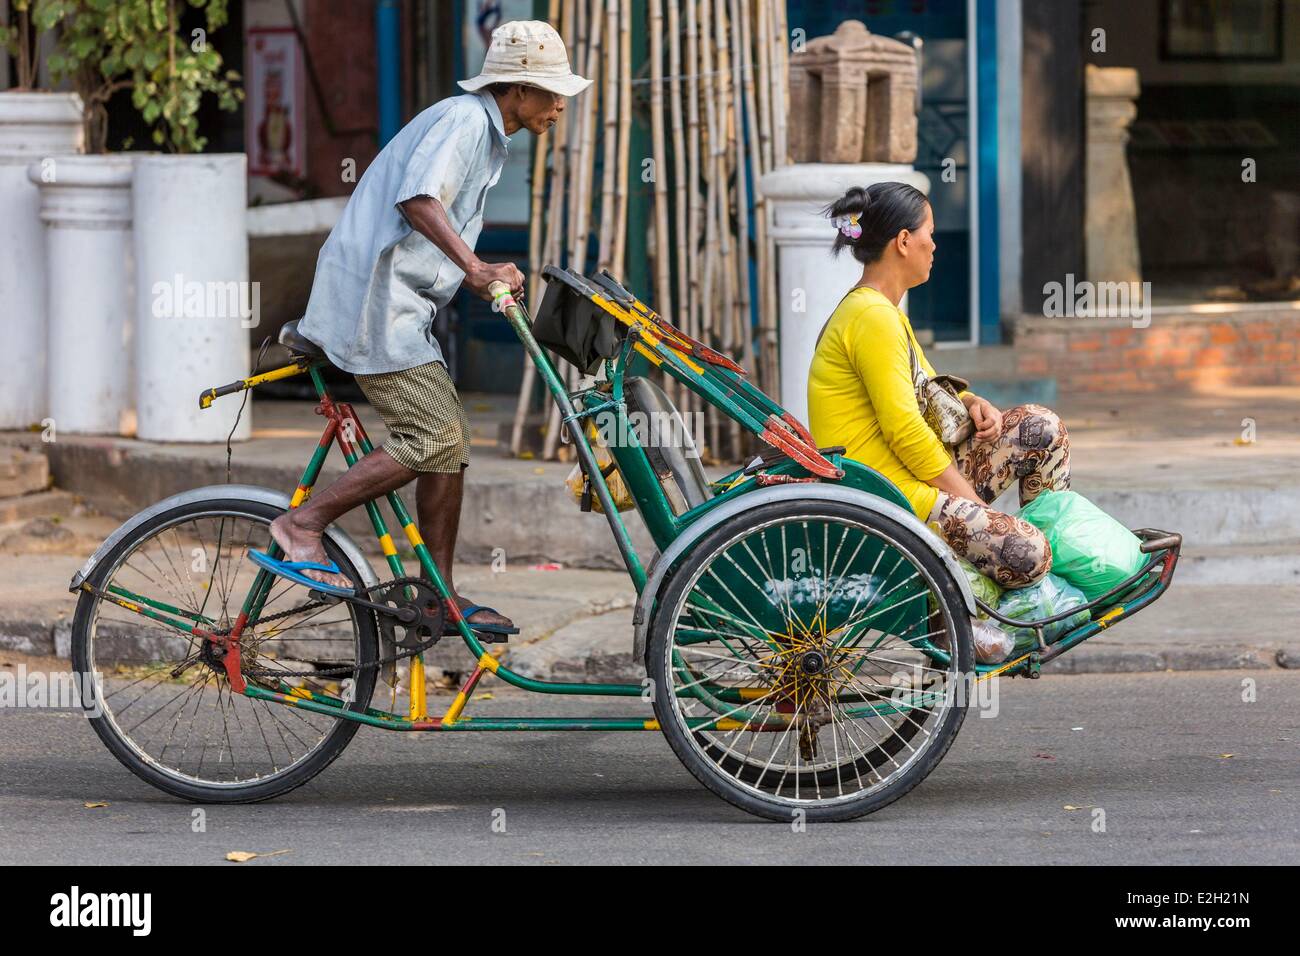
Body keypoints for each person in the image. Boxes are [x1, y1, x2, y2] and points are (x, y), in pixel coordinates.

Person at [265, 21, 591, 634]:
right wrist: (474, 268)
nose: (558, 106)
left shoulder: (487, 136)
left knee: (450, 445)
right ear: (515, 90)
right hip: (373, 302)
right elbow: (418, 200)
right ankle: (302, 524)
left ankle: (436, 594)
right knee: (434, 436)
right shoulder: (465, 122)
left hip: (403, 305)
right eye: (549, 93)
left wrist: (482, 270)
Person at [807, 183, 1071, 589]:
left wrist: (972, 402)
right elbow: (906, 430)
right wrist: (974, 503)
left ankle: (1034, 575)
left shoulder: (882, 311)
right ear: (904, 241)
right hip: (892, 494)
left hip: (911, 476)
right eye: (930, 233)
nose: (935, 245)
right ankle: (1010, 600)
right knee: (1029, 551)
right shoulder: (871, 318)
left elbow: (926, 387)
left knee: (1042, 430)